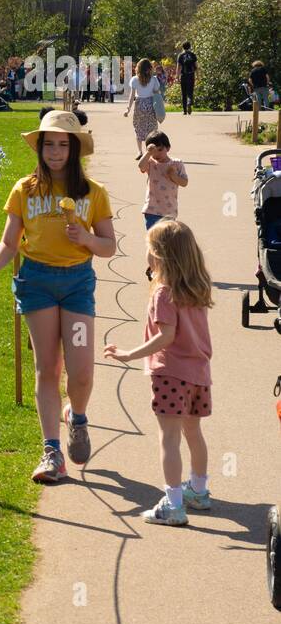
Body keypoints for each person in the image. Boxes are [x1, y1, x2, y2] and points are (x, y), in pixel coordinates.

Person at [0, 110, 117, 483]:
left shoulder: (93, 193)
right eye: (49, 145)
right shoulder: (24, 189)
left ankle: (77, 417)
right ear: (39, 148)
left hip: (77, 284)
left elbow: (108, 246)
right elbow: (9, 242)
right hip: (37, 282)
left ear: (74, 150)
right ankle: (51, 452)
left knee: (82, 371)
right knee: (48, 369)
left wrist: (88, 240)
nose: (55, 152)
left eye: (63, 145)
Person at [103, 220, 213, 526]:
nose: (147, 257)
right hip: (199, 372)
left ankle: (174, 503)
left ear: (161, 257)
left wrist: (129, 354)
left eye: (150, 251)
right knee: (193, 432)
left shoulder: (163, 293)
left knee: (169, 438)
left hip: (171, 373)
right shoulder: (198, 287)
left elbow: (165, 336)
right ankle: (199, 490)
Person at [138, 131, 188, 232]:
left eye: (160, 150)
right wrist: (148, 153)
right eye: (153, 151)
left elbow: (184, 182)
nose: (156, 154)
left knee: (167, 239)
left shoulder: (177, 164)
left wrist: (174, 176)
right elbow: (141, 166)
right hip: (152, 209)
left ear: (168, 148)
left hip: (169, 211)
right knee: (154, 239)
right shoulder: (150, 163)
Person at [123, 57, 161, 161]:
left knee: (138, 129)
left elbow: (131, 96)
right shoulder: (154, 79)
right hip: (150, 105)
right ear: (150, 68)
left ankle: (140, 152)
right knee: (152, 130)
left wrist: (128, 109)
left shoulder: (135, 79)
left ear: (138, 68)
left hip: (139, 105)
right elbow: (157, 93)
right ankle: (151, 152)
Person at [176, 42, 197, 115]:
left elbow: (178, 67)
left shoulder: (181, 55)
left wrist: (177, 77)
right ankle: (189, 102)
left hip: (183, 76)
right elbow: (196, 66)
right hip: (191, 75)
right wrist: (198, 76)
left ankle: (185, 110)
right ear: (190, 47)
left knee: (184, 93)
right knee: (190, 92)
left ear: (183, 47)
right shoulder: (192, 55)